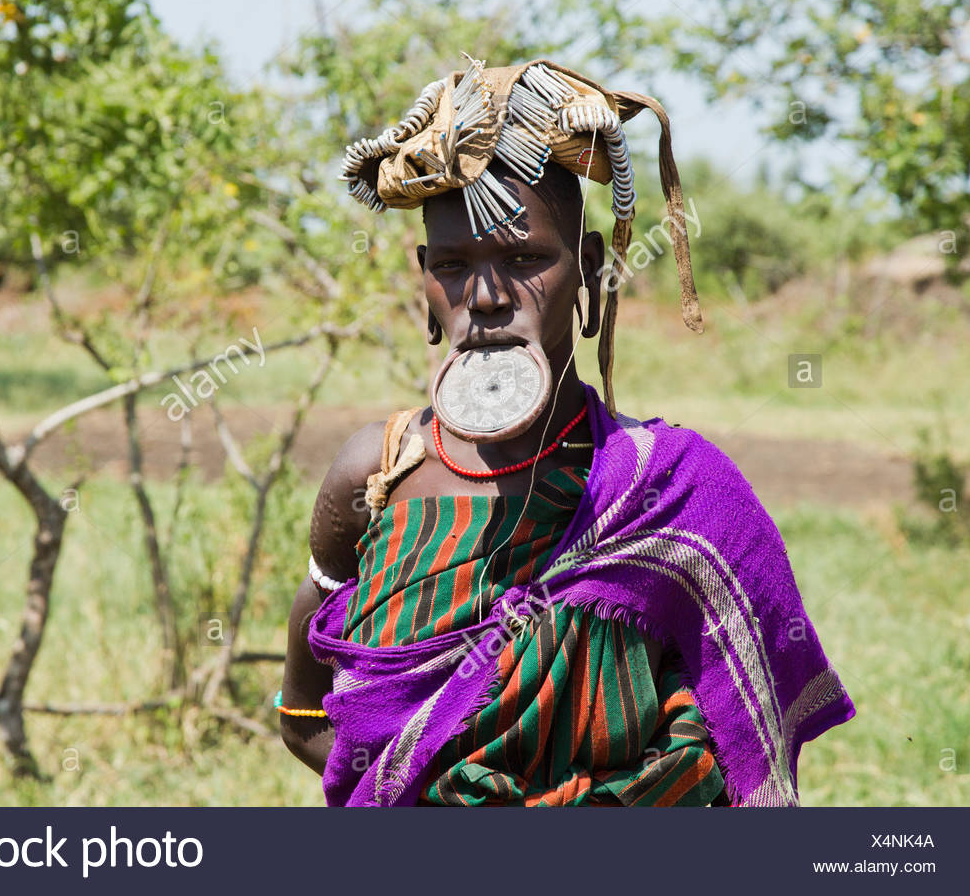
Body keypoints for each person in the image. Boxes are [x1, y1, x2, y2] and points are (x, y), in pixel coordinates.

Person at [277, 55, 853, 807]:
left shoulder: (675, 491)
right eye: (453, 265)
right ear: (424, 281)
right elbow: (302, 717)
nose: (484, 297)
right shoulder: (375, 474)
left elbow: (742, 742)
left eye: (524, 258)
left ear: (585, 268)